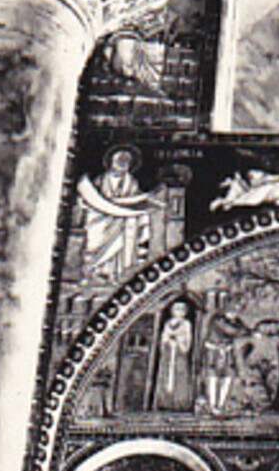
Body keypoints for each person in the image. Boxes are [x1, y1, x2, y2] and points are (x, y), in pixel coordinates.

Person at [78, 147, 160, 282]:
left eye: (126, 160)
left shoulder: (132, 182)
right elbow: (93, 199)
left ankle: (116, 273)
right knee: (96, 238)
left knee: (130, 225)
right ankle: (95, 271)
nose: (122, 163)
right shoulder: (101, 180)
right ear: (111, 161)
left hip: (123, 220)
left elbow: (135, 202)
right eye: (119, 160)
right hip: (101, 218)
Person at [197, 290, 249, 415]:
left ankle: (220, 405)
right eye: (236, 306)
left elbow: (243, 330)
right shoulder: (217, 319)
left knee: (228, 376)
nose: (238, 310)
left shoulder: (236, 321)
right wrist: (247, 332)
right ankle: (212, 405)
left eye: (240, 307)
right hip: (213, 351)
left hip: (227, 351)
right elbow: (230, 330)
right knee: (213, 376)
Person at [151, 298, 196, 410]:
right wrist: (167, 341)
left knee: (180, 375)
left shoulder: (186, 324)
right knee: (166, 375)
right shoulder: (168, 323)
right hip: (168, 352)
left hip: (180, 353)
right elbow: (163, 338)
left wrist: (180, 341)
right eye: (177, 309)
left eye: (181, 309)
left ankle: (180, 402)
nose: (179, 312)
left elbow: (188, 339)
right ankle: (164, 401)